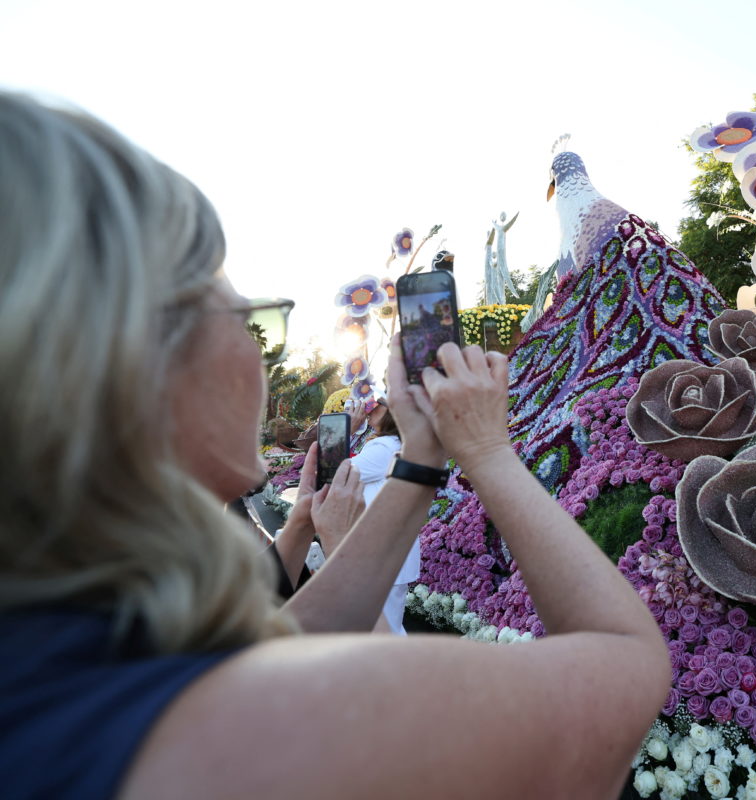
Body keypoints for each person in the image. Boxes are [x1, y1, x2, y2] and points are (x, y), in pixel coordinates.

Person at [0, 93, 670, 799]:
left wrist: (424, 458)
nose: (262, 357)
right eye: (249, 319)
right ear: (134, 359)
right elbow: (625, 669)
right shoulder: (245, 733)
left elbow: (290, 636)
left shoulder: (66, 659)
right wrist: (489, 453)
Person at [347, 396, 421, 634]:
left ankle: (403, 670)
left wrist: (346, 430)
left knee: (385, 629)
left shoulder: (385, 448)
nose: (368, 410)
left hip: (383, 551)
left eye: (376, 406)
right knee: (387, 627)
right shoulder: (392, 444)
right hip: (387, 550)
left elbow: (334, 472)